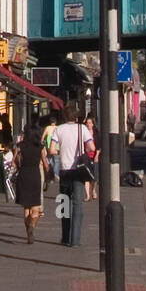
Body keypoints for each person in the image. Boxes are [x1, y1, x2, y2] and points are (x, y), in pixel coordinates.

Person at [52, 106, 94, 247]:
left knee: (64, 204)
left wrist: (62, 151)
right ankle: (75, 240)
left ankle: (65, 237)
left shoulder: (58, 129)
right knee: (77, 205)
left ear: (64, 117)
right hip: (78, 170)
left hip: (65, 170)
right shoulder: (82, 129)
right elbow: (92, 147)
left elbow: (52, 149)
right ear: (75, 117)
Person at [14, 123, 46, 243]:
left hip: (24, 174)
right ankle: (32, 226)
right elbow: (45, 163)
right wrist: (47, 176)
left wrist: (19, 167)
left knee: (26, 207)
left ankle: (28, 229)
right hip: (35, 175)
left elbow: (14, 161)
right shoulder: (40, 147)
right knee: (35, 206)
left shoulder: (20, 146)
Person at [41, 112, 62, 191]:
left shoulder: (47, 128)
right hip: (56, 147)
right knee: (56, 161)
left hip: (49, 147)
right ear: (55, 122)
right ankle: (56, 174)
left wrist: (42, 142)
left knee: (50, 161)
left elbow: (43, 137)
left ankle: (52, 175)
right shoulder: (57, 128)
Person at [83, 117, 100, 201]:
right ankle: (87, 195)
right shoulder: (83, 133)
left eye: (90, 123)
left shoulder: (96, 134)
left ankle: (93, 190)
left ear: (93, 124)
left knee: (94, 177)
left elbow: (99, 146)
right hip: (86, 156)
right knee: (86, 175)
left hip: (94, 156)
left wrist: (97, 155)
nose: (88, 124)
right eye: (87, 123)